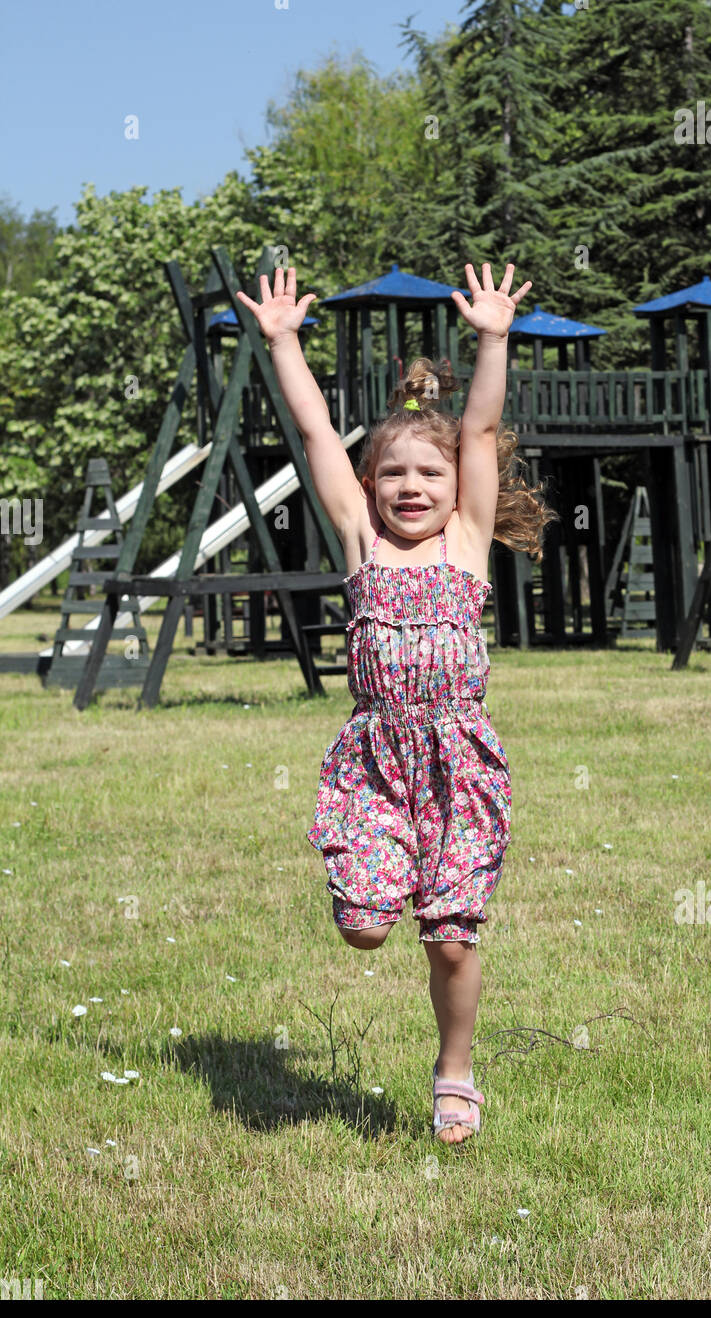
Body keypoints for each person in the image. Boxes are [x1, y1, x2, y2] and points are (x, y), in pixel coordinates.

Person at [236, 262, 557, 1142]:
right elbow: (313, 436)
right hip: (376, 763)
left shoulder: (466, 544)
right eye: (393, 475)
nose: (411, 487)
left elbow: (481, 428)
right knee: (366, 930)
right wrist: (283, 342)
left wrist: (493, 336)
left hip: (458, 763)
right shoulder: (361, 546)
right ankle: (376, 900)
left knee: (451, 936)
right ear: (369, 486)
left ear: (458, 489)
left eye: (430, 473)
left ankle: (455, 1072)